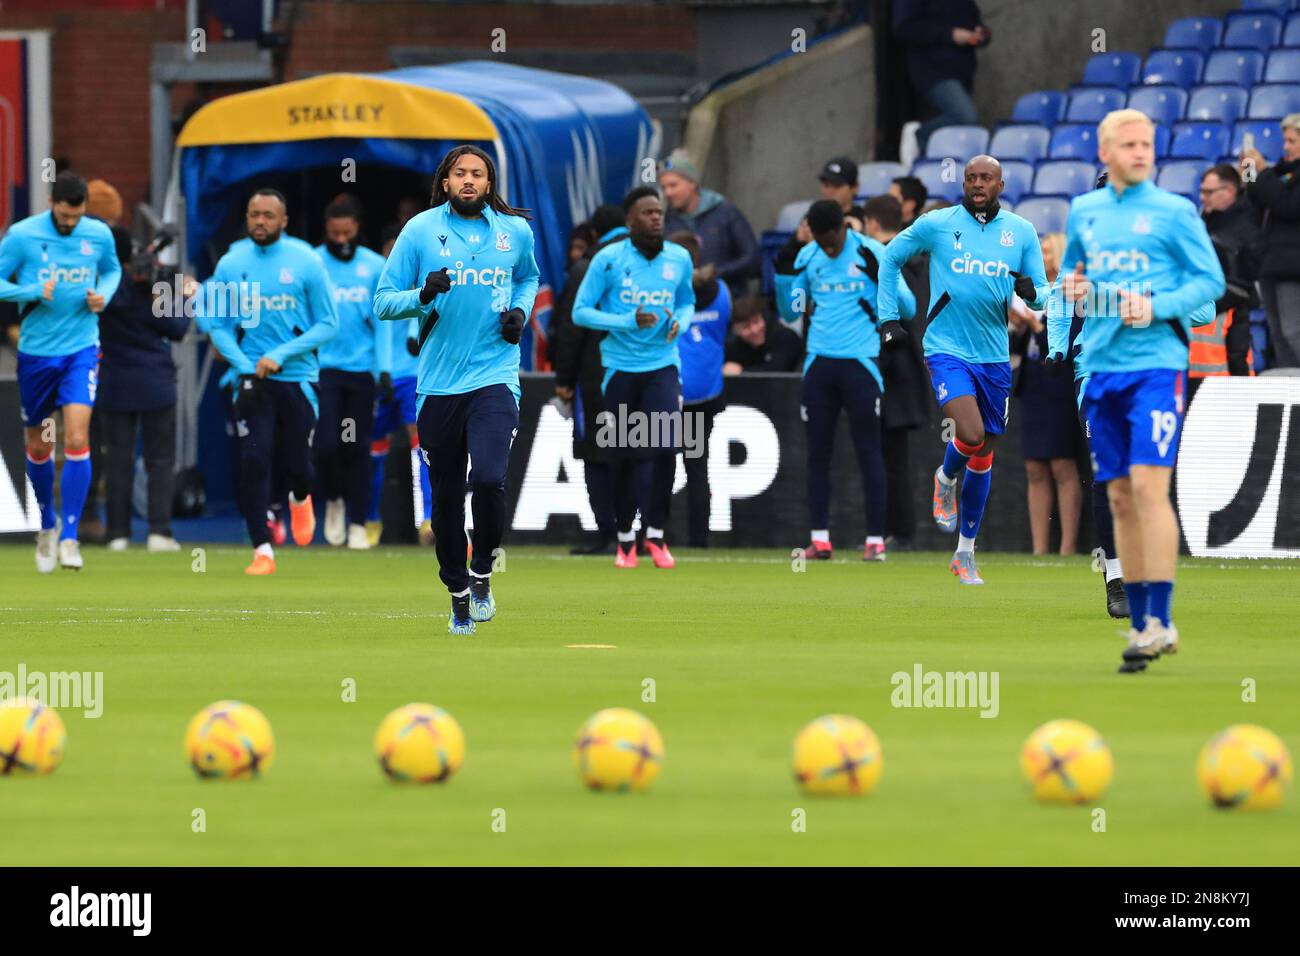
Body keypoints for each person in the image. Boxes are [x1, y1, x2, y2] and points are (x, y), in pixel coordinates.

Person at [1060, 109, 1224, 672]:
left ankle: (1161, 619)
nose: (1139, 151)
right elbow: (1072, 286)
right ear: (1105, 153)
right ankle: (1137, 624)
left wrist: (1156, 306)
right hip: (1099, 368)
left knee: (1151, 490)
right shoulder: (1085, 212)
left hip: (1156, 367)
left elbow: (1211, 285)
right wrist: (1077, 288)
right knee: (1120, 496)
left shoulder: (1175, 213)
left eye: (1147, 143)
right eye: (1128, 143)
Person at [373, 144, 539, 635]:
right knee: (446, 500)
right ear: (445, 181)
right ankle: (458, 591)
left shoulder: (515, 232)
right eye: (460, 173)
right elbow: (383, 303)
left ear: (489, 184)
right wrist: (422, 295)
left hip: (495, 377)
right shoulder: (420, 230)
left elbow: (528, 278)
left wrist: (520, 314)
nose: (469, 180)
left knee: (488, 478)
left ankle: (483, 569)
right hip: (438, 387)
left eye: (478, 174)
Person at [878, 155, 1050, 585]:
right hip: (945, 349)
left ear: (1000, 184)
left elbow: (1043, 297)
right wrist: (888, 318)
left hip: (994, 355)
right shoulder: (938, 223)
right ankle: (945, 474)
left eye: (985, 178)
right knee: (971, 435)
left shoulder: (1021, 232)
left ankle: (964, 553)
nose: (976, 183)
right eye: (970, 177)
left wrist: (1033, 293)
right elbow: (889, 256)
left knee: (985, 450)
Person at [196, 188, 339, 575]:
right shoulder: (231, 263)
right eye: (254, 215)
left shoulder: (306, 261)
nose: (260, 222)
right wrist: (245, 365)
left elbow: (329, 324)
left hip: (298, 377)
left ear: (284, 221)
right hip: (250, 380)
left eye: (268, 216)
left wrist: (280, 354)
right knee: (255, 459)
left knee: (299, 465)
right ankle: (262, 548)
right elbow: (220, 327)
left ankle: (300, 497)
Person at [0, 171, 120, 572]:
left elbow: (112, 270)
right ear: (52, 203)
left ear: (84, 208)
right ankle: (46, 526)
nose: (69, 224)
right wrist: (29, 291)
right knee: (39, 445)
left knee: (78, 434)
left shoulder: (98, 235)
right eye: (64, 217)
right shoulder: (22, 235)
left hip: (81, 348)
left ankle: (70, 535)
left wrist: (105, 294)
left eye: (76, 217)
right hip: (36, 353)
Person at [573, 186, 695, 570]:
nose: (656, 217)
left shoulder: (679, 257)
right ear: (630, 220)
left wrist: (681, 321)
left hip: (662, 365)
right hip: (619, 369)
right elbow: (580, 312)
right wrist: (626, 321)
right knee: (623, 454)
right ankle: (626, 539)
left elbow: (688, 300)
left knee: (665, 449)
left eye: (659, 211)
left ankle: (656, 534)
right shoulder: (608, 260)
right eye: (647, 212)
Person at [790, 199, 915, 562]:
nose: (828, 246)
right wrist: (786, 280)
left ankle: (875, 540)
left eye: (831, 238)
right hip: (818, 363)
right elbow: (791, 310)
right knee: (817, 454)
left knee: (869, 451)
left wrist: (880, 279)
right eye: (820, 239)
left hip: (862, 363)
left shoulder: (874, 250)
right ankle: (820, 539)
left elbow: (906, 308)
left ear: (844, 227)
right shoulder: (808, 255)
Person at [98, 226, 188, 552]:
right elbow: (178, 328)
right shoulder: (153, 285)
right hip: (155, 383)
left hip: (115, 384)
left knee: (117, 461)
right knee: (159, 460)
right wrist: (183, 297)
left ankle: (118, 533)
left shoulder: (103, 287)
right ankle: (159, 532)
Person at [313, 197, 390, 550]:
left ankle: (358, 522)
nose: (341, 240)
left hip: (361, 372)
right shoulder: (313, 263)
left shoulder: (374, 266)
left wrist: (384, 370)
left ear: (357, 229)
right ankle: (333, 501)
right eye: (334, 234)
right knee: (327, 445)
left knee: (357, 447)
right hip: (323, 370)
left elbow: (383, 323)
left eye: (347, 233)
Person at [553, 204, 627, 556]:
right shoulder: (646, 261)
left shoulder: (587, 268)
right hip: (642, 371)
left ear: (594, 235)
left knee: (597, 453)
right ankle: (640, 534)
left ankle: (607, 533)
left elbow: (571, 329)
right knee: (636, 450)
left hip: (596, 374)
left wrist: (564, 379)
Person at [862, 194, 932, 550]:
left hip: (891, 370)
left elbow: (894, 316)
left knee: (889, 457)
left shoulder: (887, 263)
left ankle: (896, 531)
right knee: (894, 456)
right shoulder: (915, 262)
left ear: (872, 224)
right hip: (910, 370)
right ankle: (896, 530)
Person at [1010, 233, 1082, 556]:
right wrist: (1019, 328)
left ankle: (1067, 548)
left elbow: (1065, 341)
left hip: (1060, 382)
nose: (1042, 256)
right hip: (1033, 383)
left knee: (1062, 465)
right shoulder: (1030, 294)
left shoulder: (1072, 292)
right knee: (1034, 466)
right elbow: (1018, 348)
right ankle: (1039, 549)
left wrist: (1037, 329)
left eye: (1048, 250)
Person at [367, 223, 430, 547]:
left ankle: (428, 519)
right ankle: (369, 519)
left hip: (412, 377)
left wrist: (414, 340)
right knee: (373, 450)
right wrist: (381, 370)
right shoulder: (374, 286)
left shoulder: (422, 283)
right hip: (379, 378)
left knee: (421, 444)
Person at [669, 230, 730, 548]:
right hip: (704, 394)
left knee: (659, 466)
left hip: (668, 390)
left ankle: (653, 537)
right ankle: (699, 541)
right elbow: (722, 334)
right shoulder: (721, 292)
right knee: (697, 468)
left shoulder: (664, 292)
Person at [1241, 113, 1300, 369]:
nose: (1285, 147)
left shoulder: (1278, 177)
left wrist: (1262, 173)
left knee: (1293, 332)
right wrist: (1250, 175)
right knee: (1279, 336)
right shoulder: (1282, 173)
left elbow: (1287, 206)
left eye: (1292, 141)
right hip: (1271, 263)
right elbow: (1255, 204)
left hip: (1293, 267)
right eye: (1285, 141)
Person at [893, 0, 990, 154]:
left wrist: (980, 34)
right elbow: (904, 27)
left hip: (962, 69)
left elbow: (973, 18)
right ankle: (922, 135)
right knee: (965, 116)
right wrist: (949, 34)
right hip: (932, 69)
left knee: (958, 130)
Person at [659, 150, 759, 297]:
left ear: (692, 183)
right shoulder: (666, 221)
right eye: (664, 188)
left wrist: (716, 272)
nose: (668, 193)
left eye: (673, 185)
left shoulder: (724, 212)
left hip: (729, 300)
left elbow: (752, 259)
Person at [724, 297, 803, 373]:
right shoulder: (732, 347)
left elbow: (777, 371)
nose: (755, 330)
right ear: (735, 331)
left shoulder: (786, 338)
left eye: (756, 322)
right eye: (746, 327)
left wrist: (742, 372)